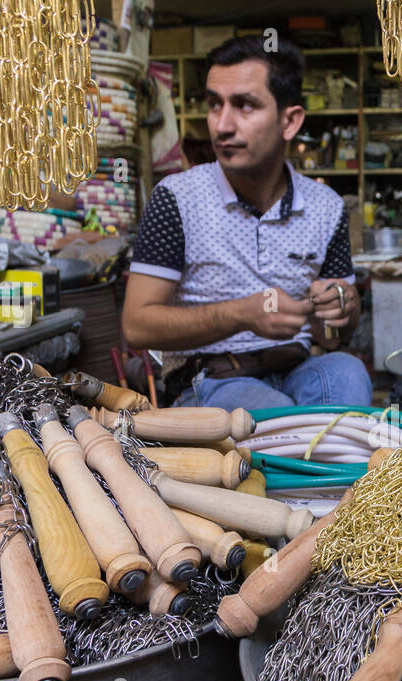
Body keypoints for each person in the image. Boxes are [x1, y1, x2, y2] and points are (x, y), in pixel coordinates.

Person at [122, 36, 372, 410]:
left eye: (244, 106)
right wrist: (243, 314)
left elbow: (334, 336)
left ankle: (347, 467)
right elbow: (137, 326)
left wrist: (342, 309)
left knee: (347, 374)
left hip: (295, 366)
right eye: (214, 105)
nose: (222, 126)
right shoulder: (177, 198)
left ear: (290, 122)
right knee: (276, 419)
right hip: (210, 379)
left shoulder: (326, 207)